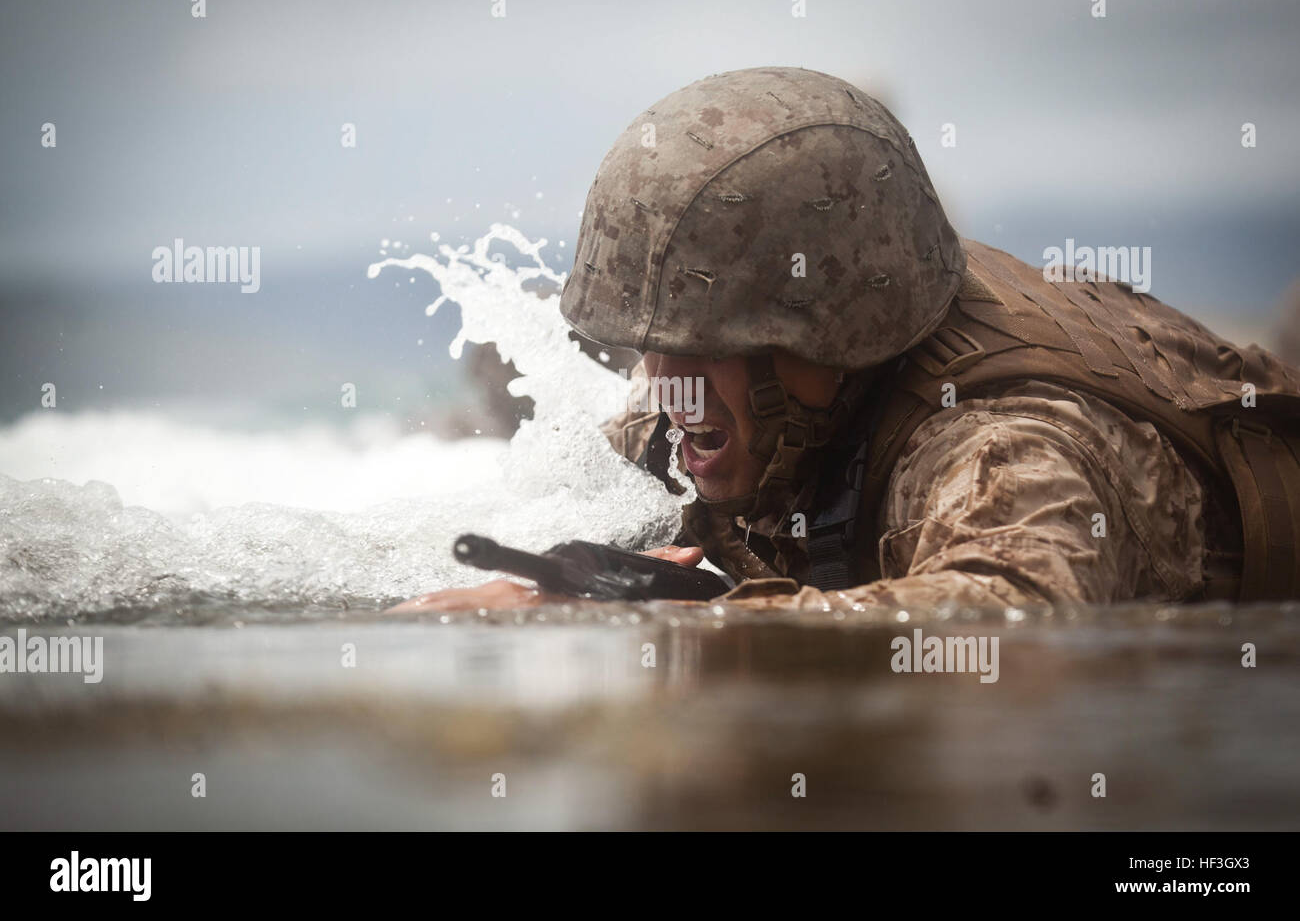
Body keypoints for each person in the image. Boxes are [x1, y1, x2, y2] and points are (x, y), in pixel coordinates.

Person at [390, 67, 1300, 615]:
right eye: (647, 345)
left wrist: (667, 620)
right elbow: (558, 539)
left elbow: (1009, 624)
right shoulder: (754, 382)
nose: (664, 387)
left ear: (835, 341)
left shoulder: (1002, 443)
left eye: (705, 346)